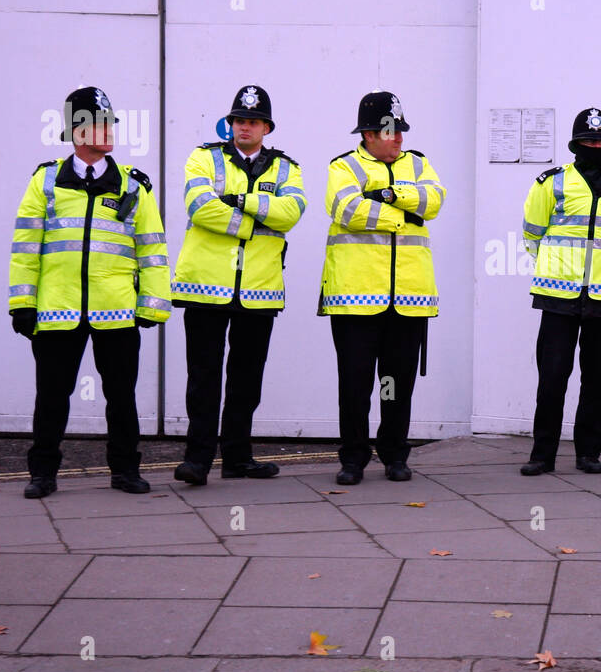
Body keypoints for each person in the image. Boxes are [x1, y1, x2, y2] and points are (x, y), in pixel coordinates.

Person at [8, 86, 170, 499]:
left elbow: (152, 247)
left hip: (115, 310)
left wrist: (152, 305)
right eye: (98, 123)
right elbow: (26, 248)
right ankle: (42, 473)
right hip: (57, 310)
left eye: (109, 123)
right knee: (51, 397)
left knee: (121, 397)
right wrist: (23, 304)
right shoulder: (45, 181)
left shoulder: (133, 186)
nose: (108, 131)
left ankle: (124, 471)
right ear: (76, 131)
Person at [171, 85, 307, 486]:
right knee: (203, 379)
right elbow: (199, 205)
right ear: (230, 124)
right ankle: (197, 460)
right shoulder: (203, 157)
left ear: (266, 127)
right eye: (239, 121)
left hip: (259, 290)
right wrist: (254, 224)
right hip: (204, 288)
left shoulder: (287, 168)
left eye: (253, 121)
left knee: (247, 380)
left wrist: (239, 200)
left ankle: (237, 458)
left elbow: (292, 211)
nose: (245, 127)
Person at [319, 91, 444, 485]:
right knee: (355, 384)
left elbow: (435, 201)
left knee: (395, 384)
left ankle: (394, 453)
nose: (399, 139)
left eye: (401, 132)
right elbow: (348, 210)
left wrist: (389, 195)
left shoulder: (419, 164)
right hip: (355, 297)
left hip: (407, 300)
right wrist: (404, 214)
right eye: (391, 132)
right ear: (370, 134)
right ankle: (353, 458)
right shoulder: (344, 167)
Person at [518, 108, 601, 475]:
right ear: (575, 145)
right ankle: (542, 455)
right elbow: (532, 234)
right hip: (558, 296)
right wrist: (559, 271)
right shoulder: (551, 183)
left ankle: (588, 453)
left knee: (594, 381)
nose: (595, 145)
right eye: (588, 141)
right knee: (552, 378)